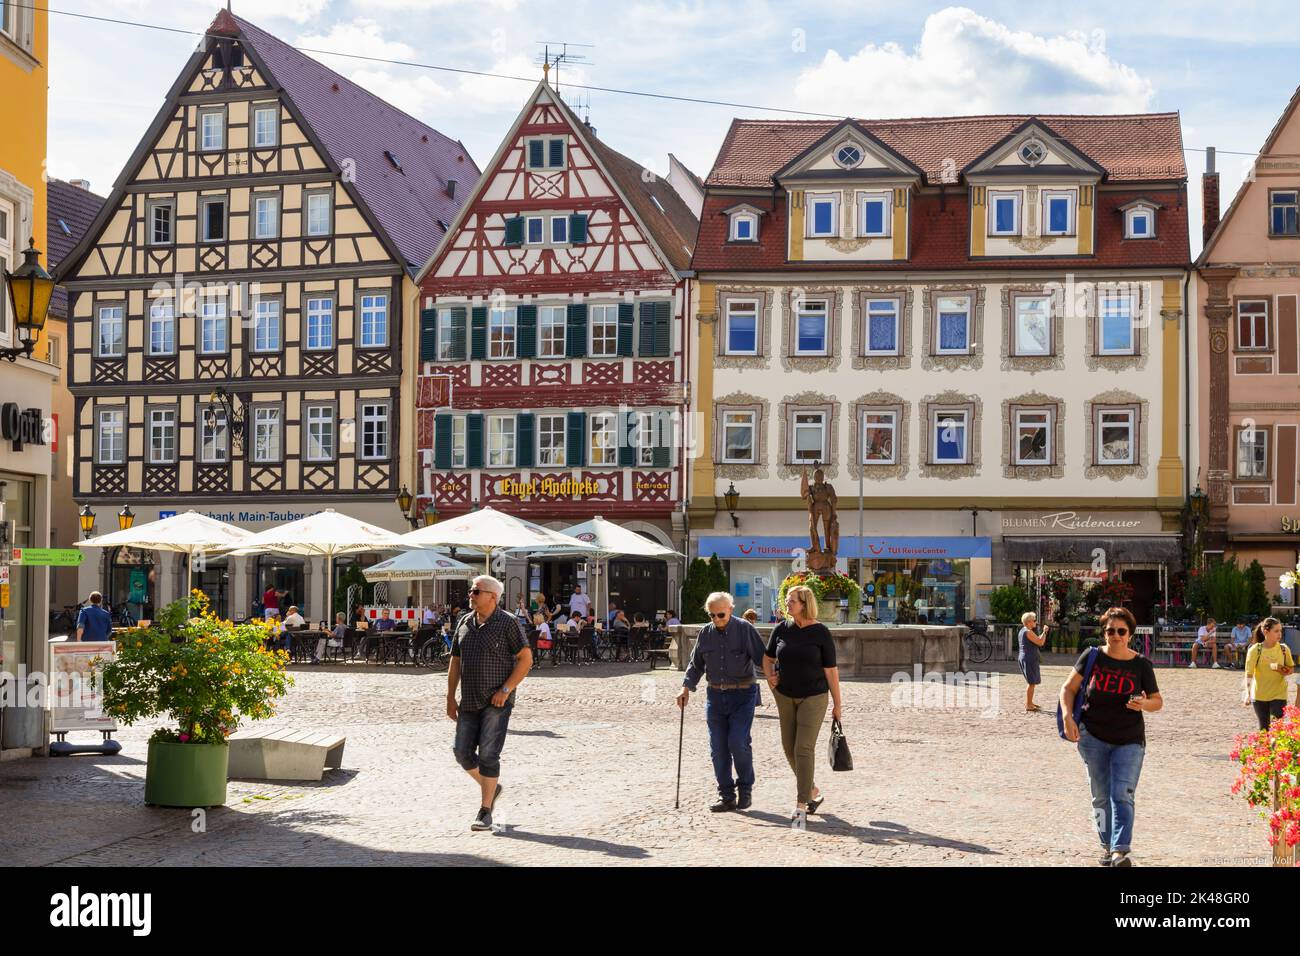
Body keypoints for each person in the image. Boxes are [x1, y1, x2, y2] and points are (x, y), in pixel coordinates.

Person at [1060, 607, 1163, 867]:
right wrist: (1067, 717)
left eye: (1121, 631)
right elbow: (1068, 688)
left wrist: (1143, 703)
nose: (1115, 635)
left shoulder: (1141, 664)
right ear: (1104, 632)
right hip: (1092, 737)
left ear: (1130, 634)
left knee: (1122, 793)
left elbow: (1157, 701)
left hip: (1129, 739)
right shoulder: (1092, 656)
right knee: (1100, 795)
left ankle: (1120, 850)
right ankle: (1107, 847)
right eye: (1110, 630)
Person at [446, 575, 532, 831]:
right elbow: (455, 662)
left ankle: (485, 811)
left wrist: (506, 690)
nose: (470, 595)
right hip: (469, 700)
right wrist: (450, 697)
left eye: (476, 591)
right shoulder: (464, 621)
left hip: (497, 700)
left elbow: (526, 660)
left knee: (488, 754)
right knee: (461, 752)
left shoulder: (508, 623)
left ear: (492, 596)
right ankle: (491, 787)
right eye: (471, 591)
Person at [677, 592, 768, 812]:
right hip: (715, 696)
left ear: (731, 609)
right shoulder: (706, 633)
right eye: (712, 615)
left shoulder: (744, 629)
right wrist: (685, 688)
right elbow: (696, 664)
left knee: (738, 742)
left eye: (721, 615)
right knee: (718, 748)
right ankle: (726, 795)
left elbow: (762, 658)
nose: (717, 619)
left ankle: (745, 789)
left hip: (743, 694)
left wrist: (776, 678)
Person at [763, 585, 842, 830]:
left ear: (805, 604)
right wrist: (770, 680)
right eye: (787, 600)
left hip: (814, 697)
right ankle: (813, 790)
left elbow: (831, 670)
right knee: (789, 749)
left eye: (792, 600)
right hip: (785, 696)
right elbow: (767, 658)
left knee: (803, 749)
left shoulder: (821, 632)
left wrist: (838, 704)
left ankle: (801, 806)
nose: (787, 604)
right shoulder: (781, 628)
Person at [1244, 617, 1294, 730]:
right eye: (1276, 631)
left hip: (1279, 694)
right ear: (1266, 632)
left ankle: (1276, 747)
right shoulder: (1255, 650)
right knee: (1264, 729)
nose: (1279, 634)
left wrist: (1283, 670)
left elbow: (1291, 670)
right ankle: (1265, 747)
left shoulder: (1284, 649)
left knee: (1277, 727)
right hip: (1259, 695)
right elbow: (1249, 674)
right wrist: (1247, 694)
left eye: (1280, 630)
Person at [1018, 611, 1048, 712]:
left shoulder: (1024, 630)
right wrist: (1045, 632)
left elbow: (1037, 640)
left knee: (1032, 682)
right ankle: (1028, 704)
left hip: (1027, 657)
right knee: (1031, 682)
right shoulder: (1028, 632)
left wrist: (1042, 634)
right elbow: (1040, 642)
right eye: (1034, 620)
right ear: (1029, 622)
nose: (1036, 622)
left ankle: (1030, 702)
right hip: (1029, 658)